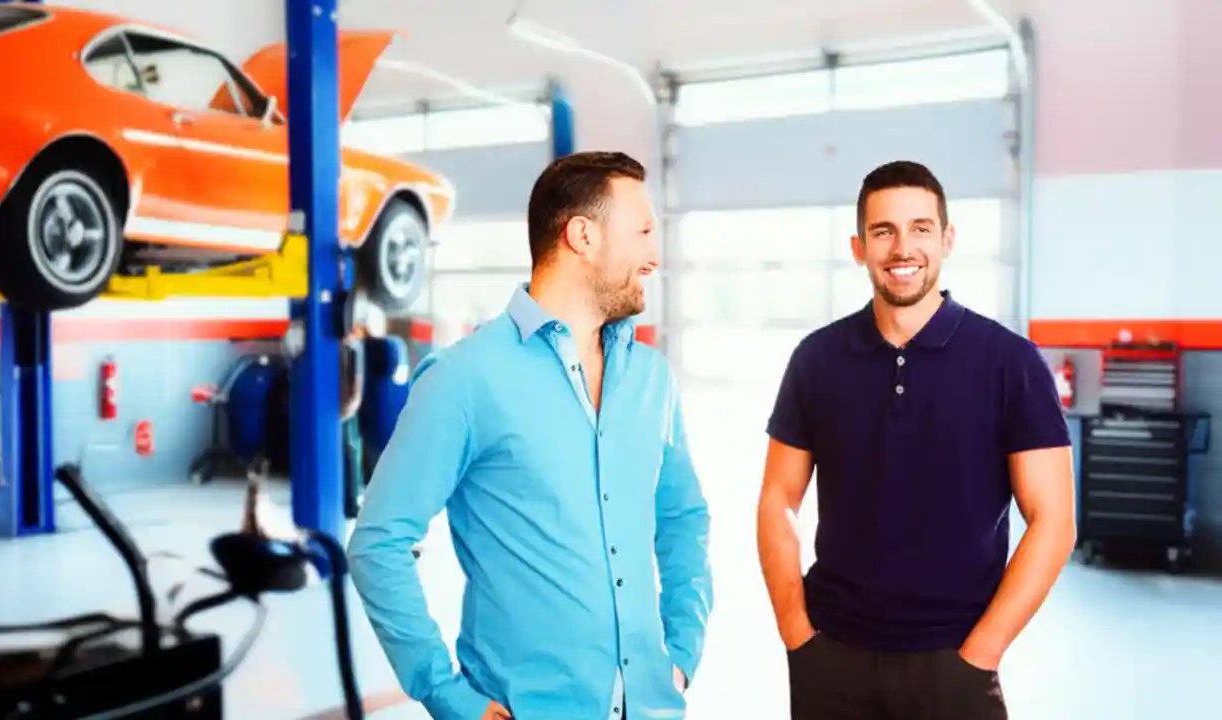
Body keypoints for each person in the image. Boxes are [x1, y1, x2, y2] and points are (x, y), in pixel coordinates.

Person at [348, 151, 713, 720]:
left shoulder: (651, 378)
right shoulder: (464, 379)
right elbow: (379, 543)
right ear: (583, 236)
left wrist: (682, 648)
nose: (654, 254)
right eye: (642, 231)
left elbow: (683, 517)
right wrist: (446, 694)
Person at [756, 160, 1075, 719]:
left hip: (955, 661)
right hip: (831, 657)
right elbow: (778, 499)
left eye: (921, 228)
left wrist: (982, 652)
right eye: (884, 231)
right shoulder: (817, 360)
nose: (903, 248)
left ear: (947, 239)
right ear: (859, 247)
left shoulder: (1010, 362)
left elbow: (1054, 520)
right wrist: (796, 633)